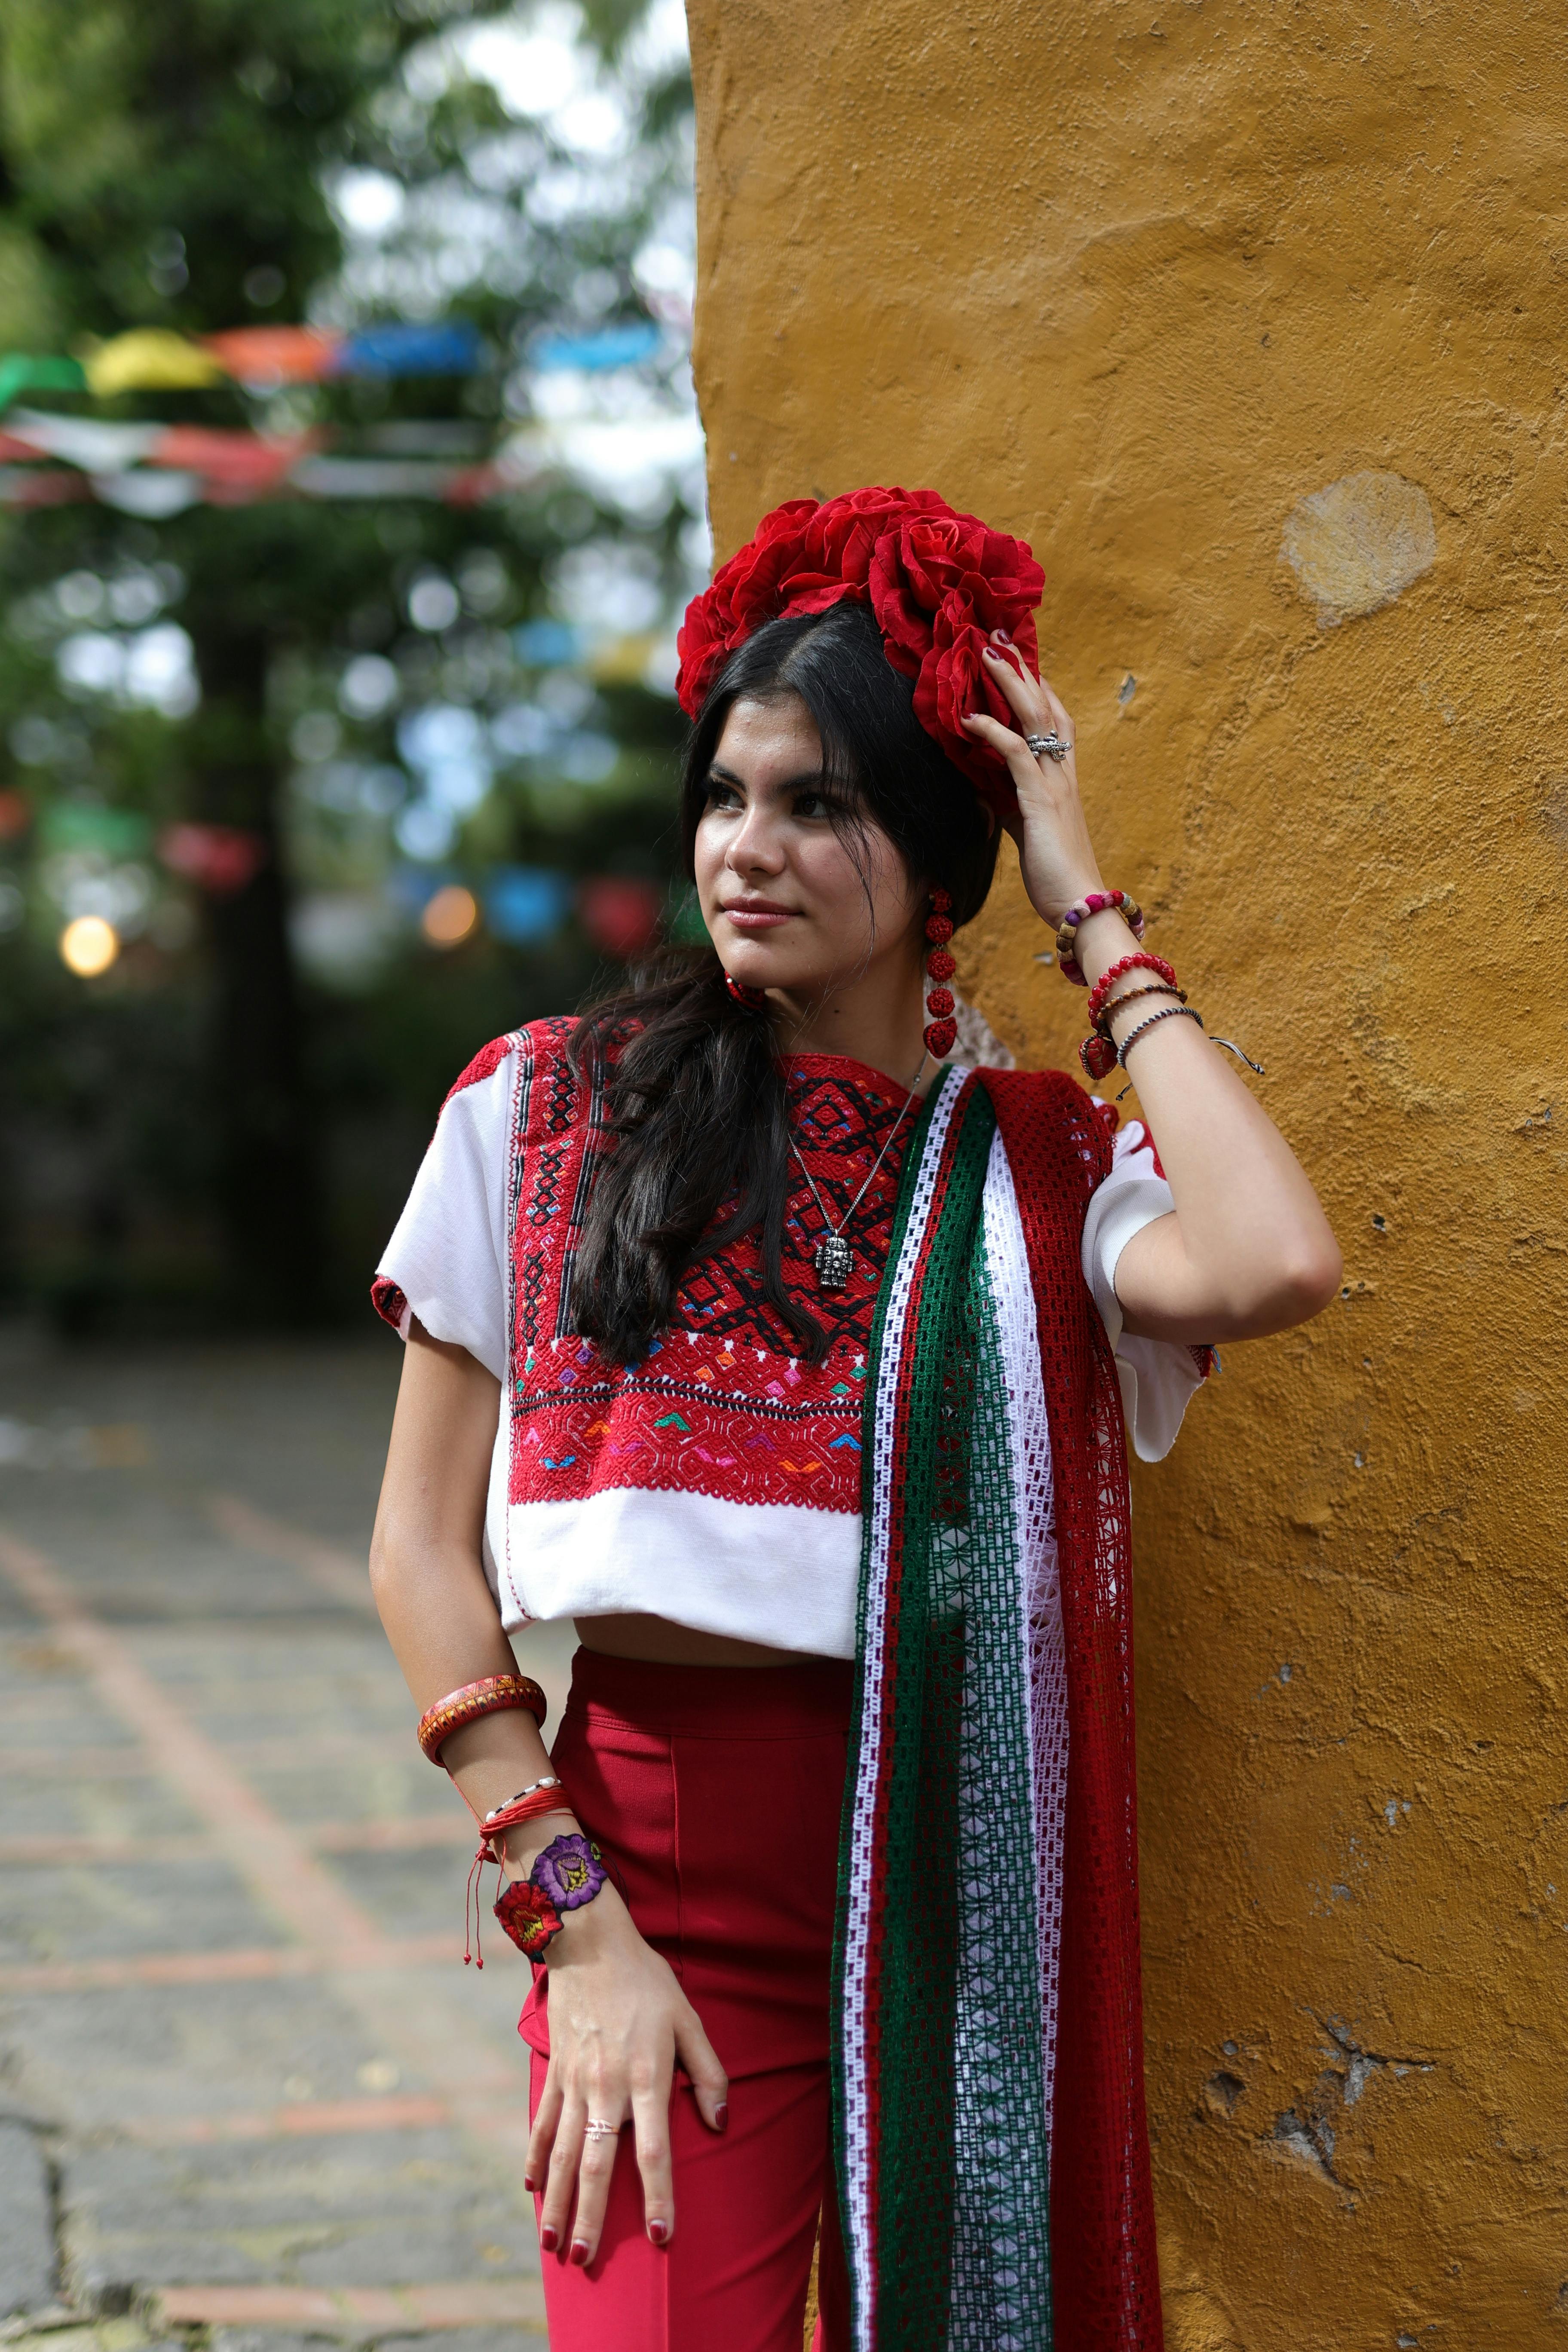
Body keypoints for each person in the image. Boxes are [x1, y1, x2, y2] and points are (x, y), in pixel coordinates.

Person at [368, 488, 1341, 2352]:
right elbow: (421, 1549)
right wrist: (577, 1939)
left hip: (967, 1884)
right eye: (726, 796)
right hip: (654, 1880)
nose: (749, 847)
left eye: (819, 805)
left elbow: (1274, 1257)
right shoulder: (545, 1110)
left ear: (935, 856)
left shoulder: (1034, 1174)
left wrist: (1087, 902)